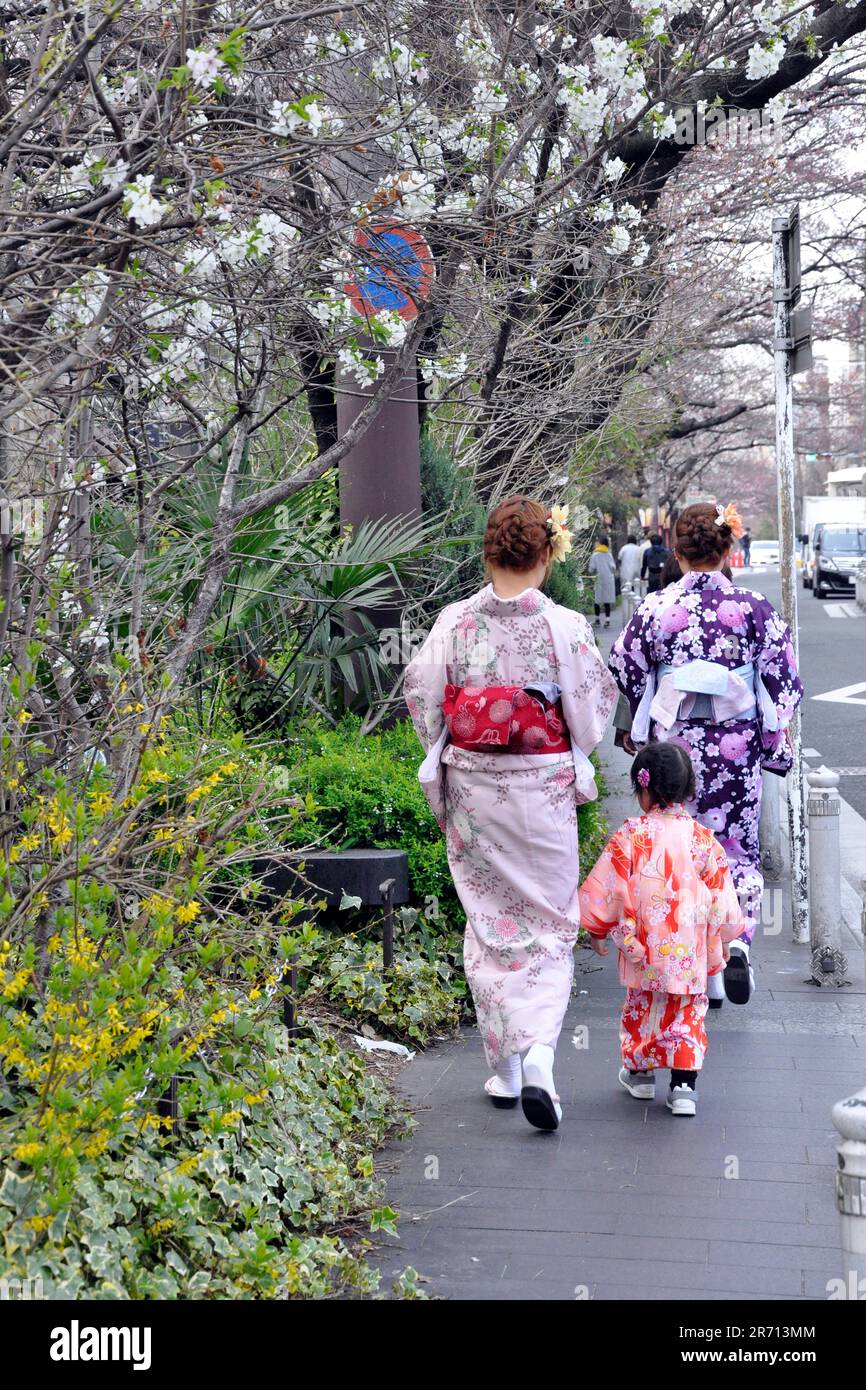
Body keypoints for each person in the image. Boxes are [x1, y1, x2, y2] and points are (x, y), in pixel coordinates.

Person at [404, 496, 616, 1131]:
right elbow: (590, 712)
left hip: (474, 792)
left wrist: (463, 739)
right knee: (551, 923)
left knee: (491, 921)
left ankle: (506, 1068)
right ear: (547, 555)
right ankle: (543, 1058)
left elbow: (421, 694)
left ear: (489, 553)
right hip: (543, 790)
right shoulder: (567, 628)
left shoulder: (454, 622)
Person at [609, 501, 803, 1007]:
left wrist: (650, 708)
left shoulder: (655, 609)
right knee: (735, 852)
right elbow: (784, 684)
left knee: (677, 853)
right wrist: (765, 735)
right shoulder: (753, 608)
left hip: (674, 750)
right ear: (729, 548)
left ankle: (696, 970)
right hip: (733, 750)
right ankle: (735, 942)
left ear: (675, 550)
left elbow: (625, 666)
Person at [579, 743, 746, 1116]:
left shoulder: (631, 835)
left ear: (645, 789)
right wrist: (721, 938)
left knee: (642, 1006)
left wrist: (597, 927)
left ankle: (640, 1075)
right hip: (687, 952)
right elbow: (722, 899)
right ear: (687, 789)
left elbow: (610, 886)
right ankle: (683, 1087)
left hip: (645, 947)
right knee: (686, 1012)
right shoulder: (703, 839)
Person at [588, 534, 617, 628]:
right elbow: (613, 567)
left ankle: (597, 620)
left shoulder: (595, 554)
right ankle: (607, 620)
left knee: (597, 600)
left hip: (599, 579)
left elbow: (591, 569)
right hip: (609, 579)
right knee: (607, 600)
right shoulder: (609, 554)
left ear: (600, 543)